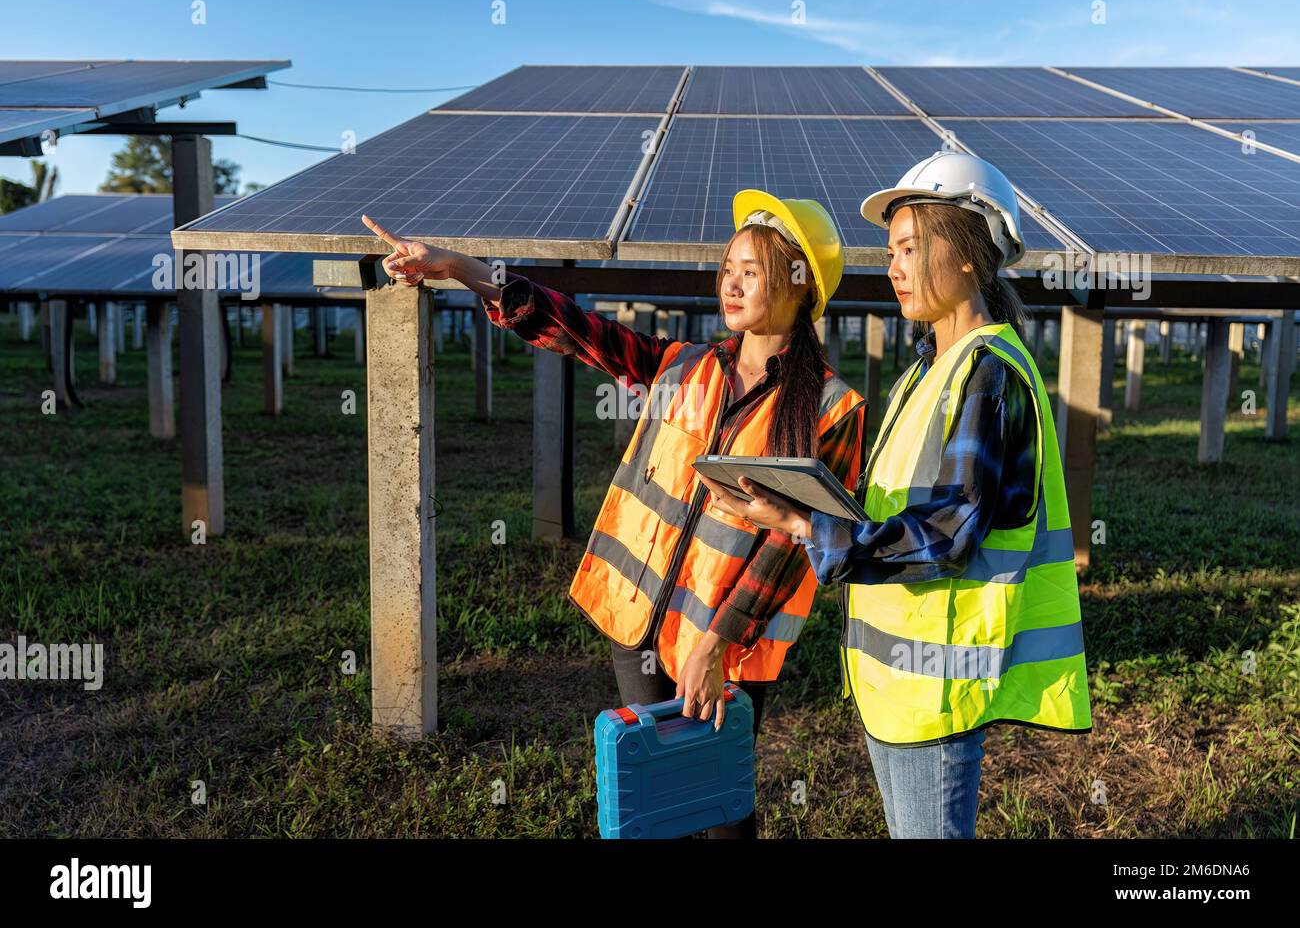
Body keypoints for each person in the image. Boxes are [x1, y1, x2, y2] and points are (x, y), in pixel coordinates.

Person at [361, 189, 866, 838]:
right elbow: (575, 328)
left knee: (720, 806)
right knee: (659, 799)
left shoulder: (830, 408)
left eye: (753, 270)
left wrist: (715, 643)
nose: (732, 284)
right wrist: (459, 265)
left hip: (726, 647)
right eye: (729, 268)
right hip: (638, 626)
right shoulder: (682, 367)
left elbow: (789, 548)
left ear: (800, 284)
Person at [699, 152, 1092, 839]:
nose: (894, 266)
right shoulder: (926, 372)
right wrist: (802, 507)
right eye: (891, 251)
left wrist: (798, 521)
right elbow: (888, 509)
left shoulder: (987, 374)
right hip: (897, 684)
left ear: (969, 253)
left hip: (936, 690)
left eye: (910, 247)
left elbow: (944, 531)